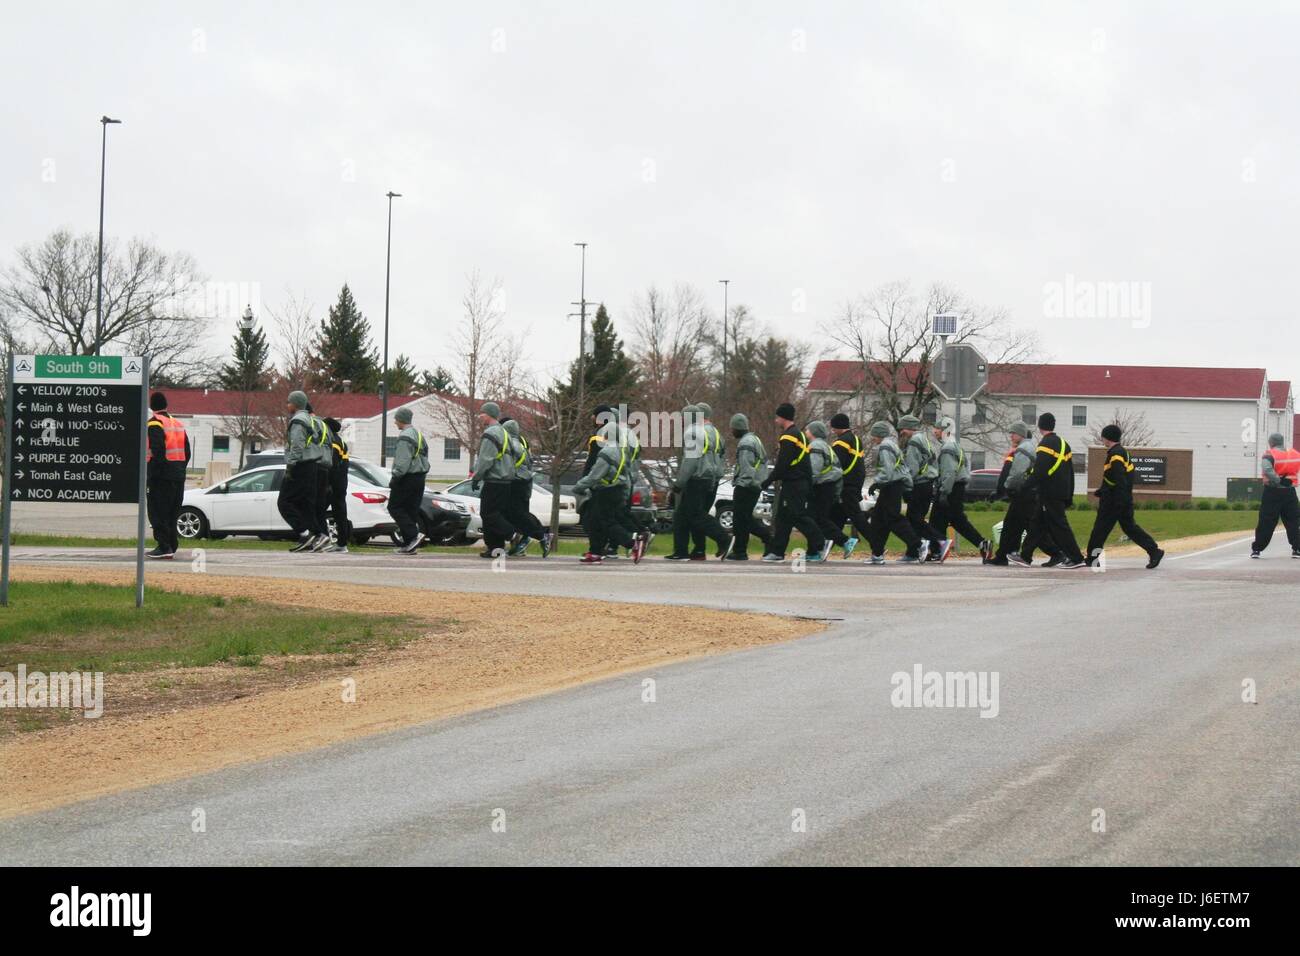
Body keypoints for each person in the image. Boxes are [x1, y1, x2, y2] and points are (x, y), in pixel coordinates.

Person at [1086, 424, 1164, 568]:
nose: (1102, 440)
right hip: (1122, 499)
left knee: (1100, 529)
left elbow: (1119, 477)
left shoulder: (1115, 454)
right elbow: (1114, 479)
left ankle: (1092, 559)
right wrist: (1102, 490)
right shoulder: (1122, 452)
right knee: (1130, 528)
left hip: (1114, 501)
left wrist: (1116, 498)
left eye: (1103, 437)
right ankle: (1154, 551)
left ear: (1107, 438)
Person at [1017, 413, 1085, 568]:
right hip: (1061, 491)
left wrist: (1025, 487)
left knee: (1059, 525)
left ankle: (1076, 558)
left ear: (1040, 426)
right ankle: (1025, 556)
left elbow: (1039, 471)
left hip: (1049, 492)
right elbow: (1070, 472)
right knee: (1037, 523)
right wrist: (1070, 494)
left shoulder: (1045, 445)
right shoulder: (1064, 444)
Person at [760, 403, 826, 563]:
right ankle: (777, 552)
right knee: (784, 518)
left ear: (783, 417)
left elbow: (783, 463)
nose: (776, 420)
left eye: (777, 417)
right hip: (799, 483)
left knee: (796, 516)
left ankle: (820, 542)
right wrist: (809, 485)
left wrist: (768, 480)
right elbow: (806, 464)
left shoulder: (789, 437)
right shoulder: (801, 435)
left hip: (793, 484)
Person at [573, 416, 643, 564]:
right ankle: (595, 552)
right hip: (617, 490)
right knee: (596, 522)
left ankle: (632, 542)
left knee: (606, 522)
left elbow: (595, 475)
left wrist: (579, 486)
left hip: (605, 491)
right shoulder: (622, 451)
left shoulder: (607, 452)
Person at [666, 404, 732, 560]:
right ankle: (683, 551)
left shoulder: (693, 433)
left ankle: (724, 538)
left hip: (697, 479)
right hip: (709, 478)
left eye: (683, 416)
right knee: (681, 516)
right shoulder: (712, 432)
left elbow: (690, 460)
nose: (680, 419)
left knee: (695, 515)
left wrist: (679, 483)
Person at [930, 416, 990, 560]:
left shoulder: (947, 448)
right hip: (957, 488)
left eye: (938, 428)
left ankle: (938, 550)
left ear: (946, 430)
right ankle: (982, 544)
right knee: (956, 521)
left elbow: (949, 472)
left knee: (936, 520)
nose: (935, 431)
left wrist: (944, 492)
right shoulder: (955, 445)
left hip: (950, 488)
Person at [862, 421, 922, 565]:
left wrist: (877, 482)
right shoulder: (892, 444)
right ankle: (877, 553)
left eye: (874, 435)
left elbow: (888, 471)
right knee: (878, 519)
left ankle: (917, 544)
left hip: (891, 485)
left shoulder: (885, 446)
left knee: (892, 518)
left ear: (879, 434)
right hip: (892, 485)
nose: (872, 438)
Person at [144, 391, 191, 559]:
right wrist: (179, 469)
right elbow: (187, 452)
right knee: (172, 512)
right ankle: (171, 545)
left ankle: (163, 546)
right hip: (178, 476)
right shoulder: (178, 424)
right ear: (165, 405)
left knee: (157, 512)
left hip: (161, 477)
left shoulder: (154, 424)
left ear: (152, 406)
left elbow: (157, 450)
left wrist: (153, 475)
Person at [897, 414, 948, 562]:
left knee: (914, 519)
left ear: (912, 428)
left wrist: (905, 486)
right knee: (915, 520)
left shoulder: (913, 442)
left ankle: (940, 541)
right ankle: (914, 552)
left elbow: (912, 468)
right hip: (927, 484)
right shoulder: (924, 439)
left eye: (903, 429)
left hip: (918, 485)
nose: (901, 432)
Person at [471, 401, 519, 558]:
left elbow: (485, 459)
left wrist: (476, 477)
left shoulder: (490, 434)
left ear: (489, 414)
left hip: (494, 480)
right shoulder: (504, 433)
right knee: (496, 513)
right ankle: (495, 548)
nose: (480, 417)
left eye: (482, 414)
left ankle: (511, 534)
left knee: (488, 514)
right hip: (506, 480)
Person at [500, 417, 553, 558]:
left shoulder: (511, 444)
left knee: (517, 514)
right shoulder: (522, 443)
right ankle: (523, 541)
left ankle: (541, 536)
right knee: (519, 514)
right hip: (524, 482)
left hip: (516, 482)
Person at [278, 390, 323, 552]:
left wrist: (290, 465)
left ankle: (305, 533)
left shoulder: (297, 420)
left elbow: (297, 445)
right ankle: (318, 535)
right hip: (312, 465)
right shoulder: (311, 419)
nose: (287, 405)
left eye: (289, 402)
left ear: (295, 404)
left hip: (300, 465)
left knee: (284, 502)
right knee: (305, 504)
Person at [989, 423, 1038, 566]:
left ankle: (1056, 552)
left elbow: (1017, 473)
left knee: (1030, 526)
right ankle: (1003, 554)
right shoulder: (1027, 447)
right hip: (1025, 492)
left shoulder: (1023, 449)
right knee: (1012, 524)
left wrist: (1006, 487)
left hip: (1023, 493)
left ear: (1021, 434)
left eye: (1013, 433)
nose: (1011, 436)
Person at [726, 413, 770, 560]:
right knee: (745, 519)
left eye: (732, 428)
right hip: (754, 485)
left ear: (738, 427)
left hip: (747, 485)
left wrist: (741, 484)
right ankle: (766, 539)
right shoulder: (754, 439)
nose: (731, 431)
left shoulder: (746, 443)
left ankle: (741, 550)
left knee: (740, 519)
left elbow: (747, 467)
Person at [1250, 432, 1300, 559]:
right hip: (1289, 492)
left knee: (1266, 521)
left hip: (1272, 491)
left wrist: (1278, 479)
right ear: (1282, 442)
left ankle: (1257, 549)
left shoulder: (1269, 454)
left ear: (1271, 442)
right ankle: (1297, 548)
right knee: (1293, 521)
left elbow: (1267, 469)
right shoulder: (1294, 454)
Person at [387, 407, 430, 554]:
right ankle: (409, 545)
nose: (394, 422)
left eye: (396, 419)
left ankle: (413, 534)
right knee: (410, 510)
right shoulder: (418, 435)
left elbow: (402, 461)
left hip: (407, 477)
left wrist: (395, 477)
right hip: (420, 477)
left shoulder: (405, 437)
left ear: (401, 419)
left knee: (394, 507)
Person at [829, 413, 872, 549]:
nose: (833, 430)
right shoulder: (857, 440)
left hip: (845, 485)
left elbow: (836, 466)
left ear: (838, 427)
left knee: (857, 518)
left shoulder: (840, 442)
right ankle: (827, 545)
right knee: (836, 516)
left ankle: (878, 544)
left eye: (834, 428)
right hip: (855, 483)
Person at [806, 420, 848, 560]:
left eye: (808, 430)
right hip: (829, 487)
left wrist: (807, 486)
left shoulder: (815, 446)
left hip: (821, 487)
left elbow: (814, 469)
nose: (806, 432)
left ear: (813, 432)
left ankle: (844, 541)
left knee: (817, 518)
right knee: (817, 518)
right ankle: (814, 551)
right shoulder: (827, 447)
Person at [690, 401, 725, 558]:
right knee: (700, 514)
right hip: (714, 478)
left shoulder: (701, 432)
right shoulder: (717, 433)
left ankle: (723, 539)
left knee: (697, 514)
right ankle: (699, 550)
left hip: (702, 476)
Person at [305, 403, 335, 552]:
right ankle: (325, 539)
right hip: (325, 467)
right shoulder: (324, 426)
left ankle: (317, 536)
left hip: (314, 465)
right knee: (319, 507)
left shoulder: (308, 423)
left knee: (309, 504)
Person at [323, 417, 352, 554]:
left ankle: (323, 540)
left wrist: (328, 483)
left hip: (334, 483)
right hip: (341, 482)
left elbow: (332, 464)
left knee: (319, 511)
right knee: (340, 513)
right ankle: (342, 542)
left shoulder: (333, 442)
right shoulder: (341, 441)